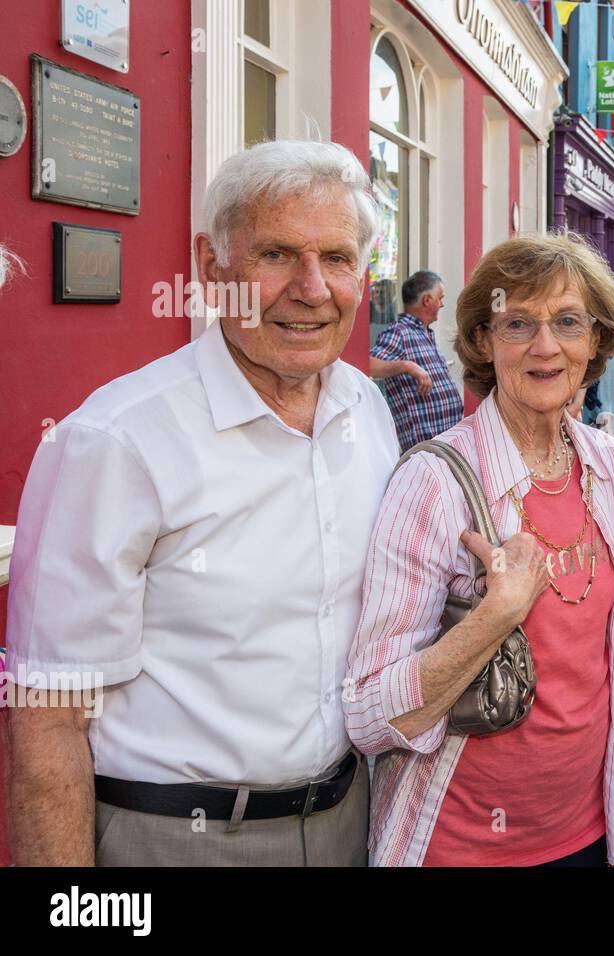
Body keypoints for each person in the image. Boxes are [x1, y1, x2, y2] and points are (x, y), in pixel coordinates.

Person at [5, 140, 398, 865]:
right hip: (172, 841)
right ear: (211, 266)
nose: (311, 288)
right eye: (276, 254)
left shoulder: (366, 410)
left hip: (348, 823)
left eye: (338, 259)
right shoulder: (115, 440)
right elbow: (46, 714)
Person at [345, 233, 614, 867]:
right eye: (517, 324)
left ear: (594, 344)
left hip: (591, 836)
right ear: (483, 341)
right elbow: (368, 713)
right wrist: (495, 613)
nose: (545, 346)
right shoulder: (432, 482)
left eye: (568, 322)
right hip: (460, 846)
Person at [369, 270, 464, 451]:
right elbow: (367, 365)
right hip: (424, 451)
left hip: (443, 444)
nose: (442, 304)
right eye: (440, 298)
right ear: (427, 300)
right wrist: (407, 366)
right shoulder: (400, 332)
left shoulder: (424, 332)